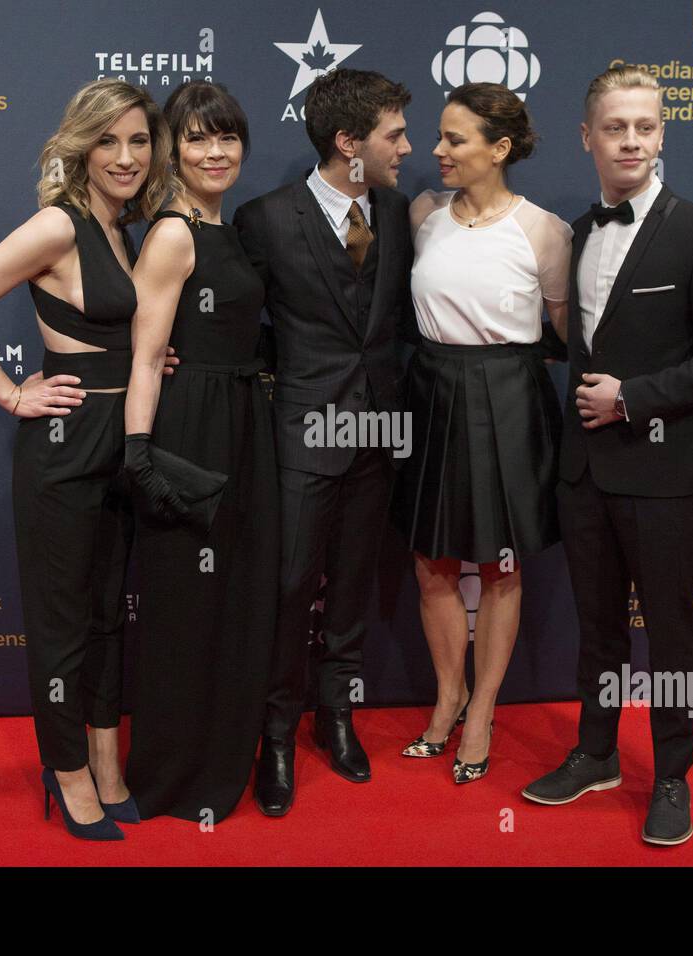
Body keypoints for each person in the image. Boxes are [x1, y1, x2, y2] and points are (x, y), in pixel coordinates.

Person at [0, 79, 175, 840]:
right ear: (82, 146)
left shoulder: (121, 229)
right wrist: (10, 394)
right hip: (64, 450)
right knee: (64, 622)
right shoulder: (59, 227)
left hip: (121, 441)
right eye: (109, 141)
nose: (126, 157)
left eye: (139, 141)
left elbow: (111, 333)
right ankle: (66, 770)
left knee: (107, 615)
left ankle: (106, 760)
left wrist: (145, 360)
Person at [521, 67, 693, 845]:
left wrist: (634, 397)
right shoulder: (577, 233)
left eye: (646, 127)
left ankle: (674, 775)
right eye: (616, 127)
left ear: (662, 134)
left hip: (660, 475)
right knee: (597, 629)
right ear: (588, 137)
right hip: (583, 473)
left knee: (671, 632)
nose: (632, 140)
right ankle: (595, 753)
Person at [233, 68, 415, 816]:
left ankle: (336, 716)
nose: (407, 147)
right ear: (348, 143)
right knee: (289, 588)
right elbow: (241, 329)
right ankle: (276, 735)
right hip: (304, 433)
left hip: (379, 433)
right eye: (393, 135)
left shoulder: (400, 214)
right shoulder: (265, 219)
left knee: (352, 587)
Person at [392, 82, 572, 784]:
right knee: (431, 559)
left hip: (510, 396)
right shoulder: (422, 215)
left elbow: (568, 335)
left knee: (500, 564)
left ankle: (484, 710)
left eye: (455, 139)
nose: (436, 151)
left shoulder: (544, 231)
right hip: (430, 390)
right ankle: (448, 697)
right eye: (438, 136)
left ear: (500, 149)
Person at [121, 81, 278, 823]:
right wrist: (141, 454)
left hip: (245, 421)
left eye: (227, 137)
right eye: (196, 138)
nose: (215, 152)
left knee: (234, 601)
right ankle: (172, 778)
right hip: (193, 429)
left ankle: (218, 765)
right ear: (172, 150)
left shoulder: (230, 228)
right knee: (186, 605)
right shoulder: (174, 233)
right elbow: (147, 358)